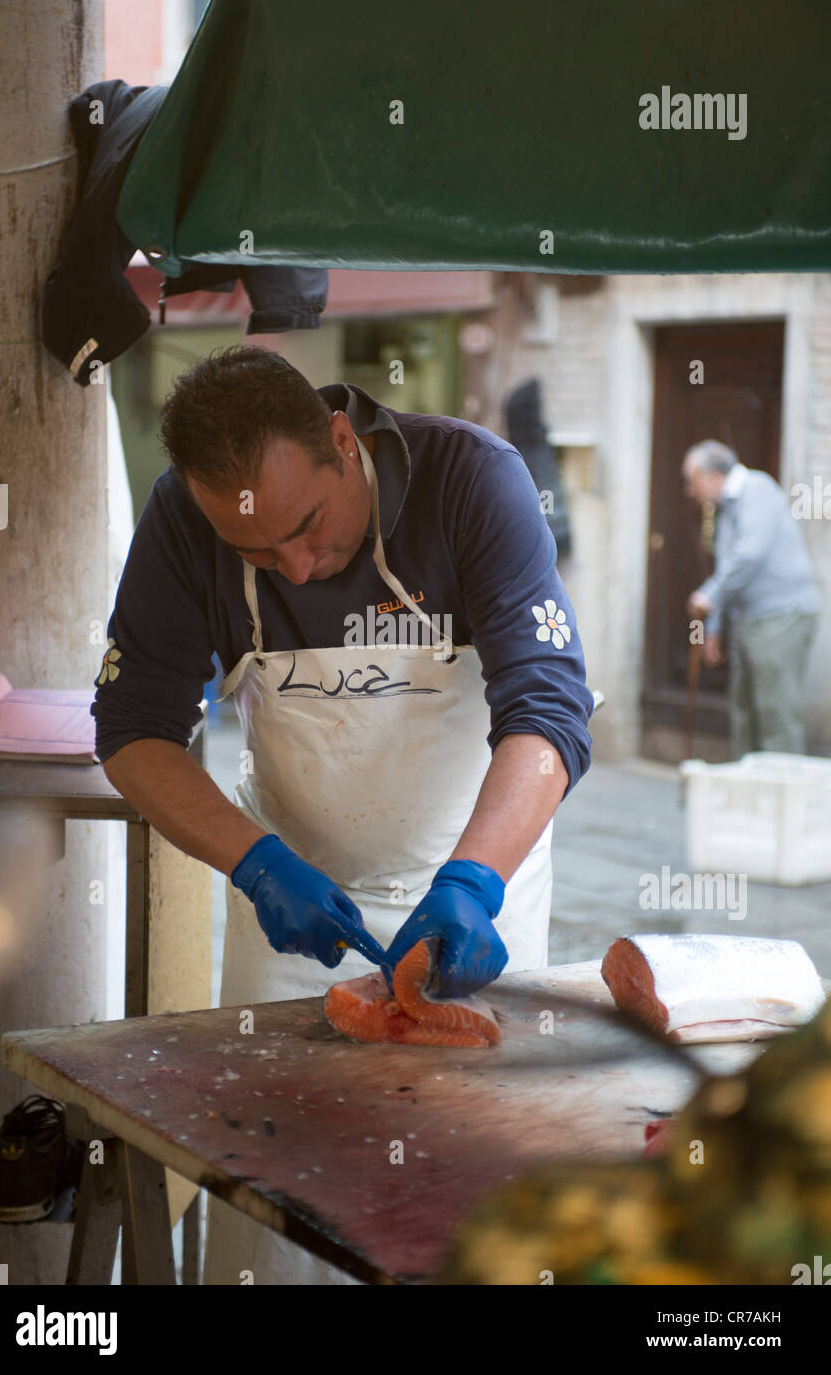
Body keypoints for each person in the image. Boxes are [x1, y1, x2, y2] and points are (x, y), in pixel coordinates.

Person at [93, 344, 594, 1283]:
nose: (294, 566)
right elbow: (131, 732)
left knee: (458, 1204)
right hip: (293, 916)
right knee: (282, 1210)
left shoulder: (474, 480)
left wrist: (475, 879)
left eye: (309, 526)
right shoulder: (180, 513)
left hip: (477, 909)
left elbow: (550, 710)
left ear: (338, 440)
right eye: (254, 552)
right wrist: (254, 864)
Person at [682, 439, 821, 756]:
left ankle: (782, 797)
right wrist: (714, 629)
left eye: (692, 482)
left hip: (780, 617)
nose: (690, 491)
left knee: (776, 714)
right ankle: (750, 794)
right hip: (749, 619)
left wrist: (709, 594)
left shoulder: (757, 488)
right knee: (746, 712)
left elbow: (750, 555)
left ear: (712, 476)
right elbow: (729, 567)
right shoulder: (725, 507)